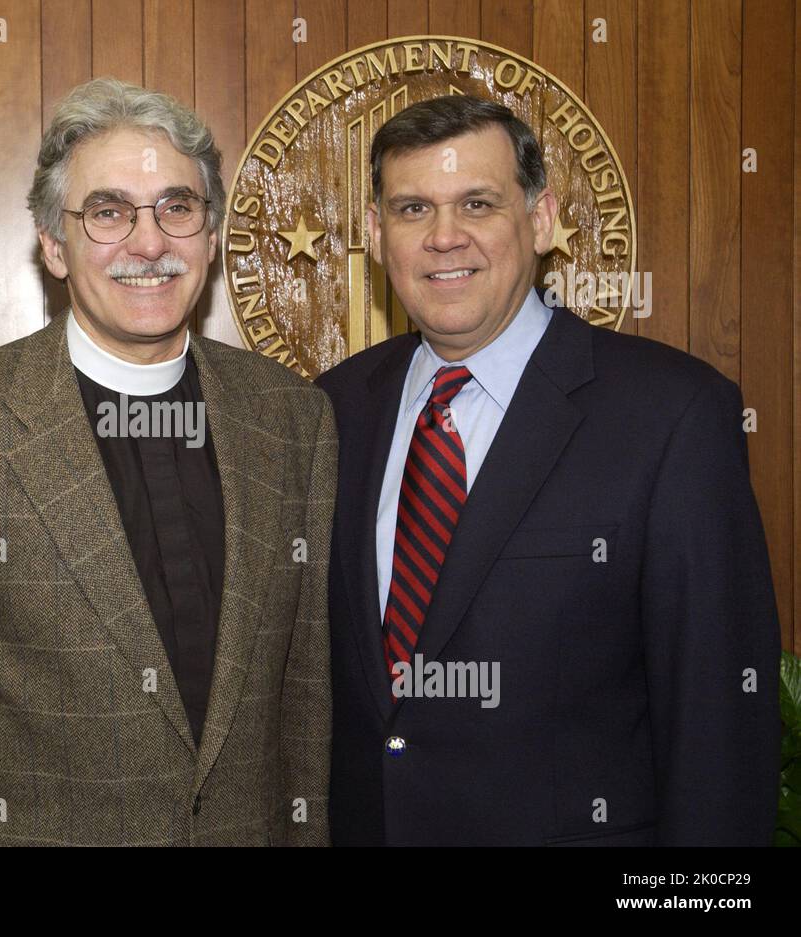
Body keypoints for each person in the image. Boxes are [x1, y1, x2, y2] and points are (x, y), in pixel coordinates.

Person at [0, 78, 336, 846]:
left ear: (210, 235)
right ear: (53, 247)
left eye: (177, 206)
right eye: (107, 212)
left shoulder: (293, 421)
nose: (148, 242)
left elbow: (304, 703)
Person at [317, 94, 780, 846]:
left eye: (477, 203)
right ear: (375, 234)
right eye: (411, 209)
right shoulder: (333, 410)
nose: (444, 237)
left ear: (539, 219)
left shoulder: (671, 415)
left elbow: (717, 725)